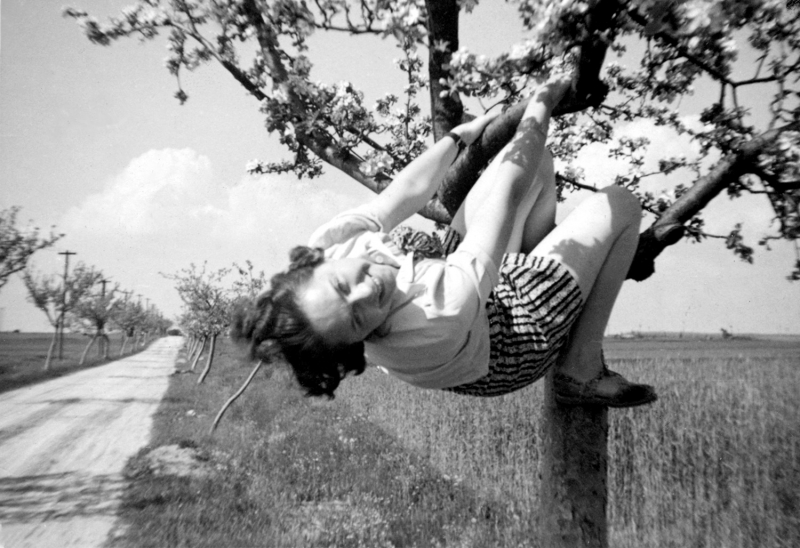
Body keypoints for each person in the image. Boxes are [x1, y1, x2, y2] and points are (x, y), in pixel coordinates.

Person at [233, 75, 657, 407]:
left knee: (537, 158)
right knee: (621, 203)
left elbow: (400, 195)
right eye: (359, 319)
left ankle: (552, 270)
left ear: (318, 263)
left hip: (464, 282)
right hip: (512, 342)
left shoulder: (331, 243)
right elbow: (507, 193)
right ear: (356, 344)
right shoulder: (437, 318)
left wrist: (459, 136)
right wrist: (541, 103)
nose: (367, 291)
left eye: (343, 285)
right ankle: (579, 368)